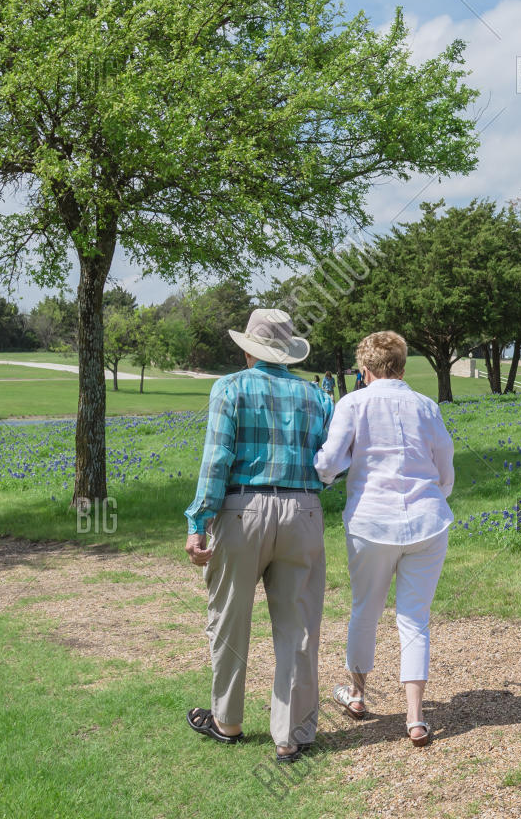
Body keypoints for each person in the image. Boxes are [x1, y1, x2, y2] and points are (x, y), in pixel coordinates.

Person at [184, 309, 334, 764]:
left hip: (242, 509)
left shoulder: (230, 387)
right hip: (302, 509)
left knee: (230, 617)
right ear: (287, 352)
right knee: (299, 625)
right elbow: (332, 464)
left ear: (248, 347)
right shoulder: (316, 395)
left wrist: (198, 521)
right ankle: (290, 735)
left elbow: (217, 460)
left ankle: (227, 721)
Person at [315, 331, 454, 746]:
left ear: (365, 369)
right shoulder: (426, 406)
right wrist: (432, 496)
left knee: (365, 608)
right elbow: (444, 468)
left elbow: (330, 463)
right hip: (427, 521)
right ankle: (415, 717)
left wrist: (323, 473)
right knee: (414, 616)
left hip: (371, 523)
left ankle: (357, 694)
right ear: (403, 365)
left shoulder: (353, 403)